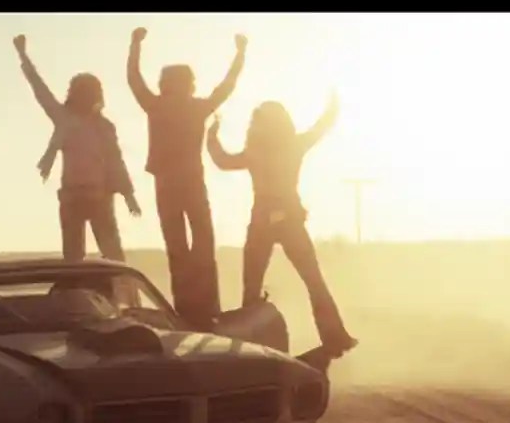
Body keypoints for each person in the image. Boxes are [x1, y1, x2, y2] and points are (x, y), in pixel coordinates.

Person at [205, 91, 358, 360]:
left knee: (252, 286)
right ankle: (335, 337)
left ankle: (250, 345)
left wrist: (212, 134)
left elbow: (223, 161)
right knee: (313, 280)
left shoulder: (255, 152)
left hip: (262, 219)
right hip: (290, 218)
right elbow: (321, 128)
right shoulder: (293, 145)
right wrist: (333, 105)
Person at [126, 26, 246, 330]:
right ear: (189, 84)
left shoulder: (156, 105)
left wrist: (135, 45)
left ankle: (186, 310)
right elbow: (227, 86)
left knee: (177, 247)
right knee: (203, 242)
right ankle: (209, 308)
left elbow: (133, 79)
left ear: (165, 83)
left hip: (166, 183)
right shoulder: (196, 107)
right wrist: (240, 53)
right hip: (192, 181)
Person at [15, 34, 142, 263]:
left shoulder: (104, 126)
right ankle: (77, 286)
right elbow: (39, 89)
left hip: (99, 196)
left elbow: (115, 162)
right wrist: (23, 55)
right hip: (72, 196)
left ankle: (120, 286)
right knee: (74, 257)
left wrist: (128, 195)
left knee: (113, 255)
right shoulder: (64, 118)